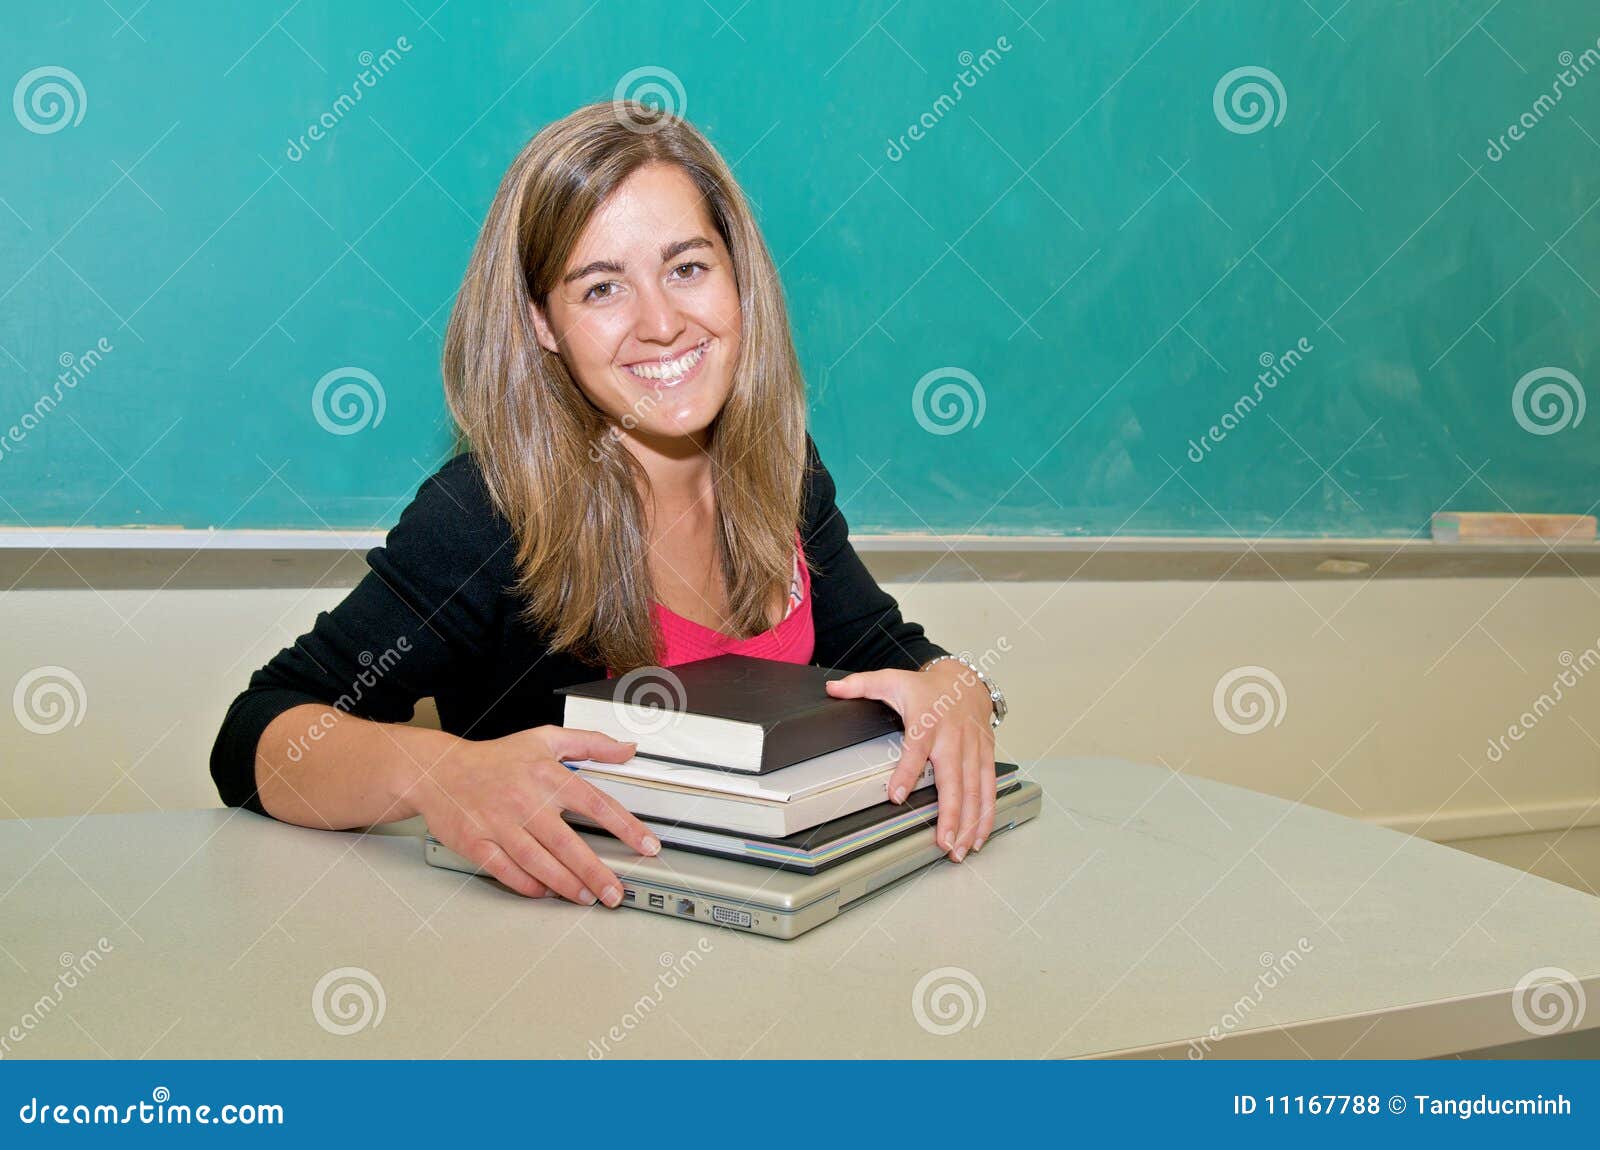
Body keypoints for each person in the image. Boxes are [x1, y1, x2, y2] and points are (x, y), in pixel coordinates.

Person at [209, 100, 1005, 910]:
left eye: (688, 267)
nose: (661, 324)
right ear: (541, 323)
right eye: (601, 288)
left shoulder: (782, 472)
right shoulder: (484, 517)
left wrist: (959, 685)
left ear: (738, 278)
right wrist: (439, 772)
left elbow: (882, 649)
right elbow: (254, 736)